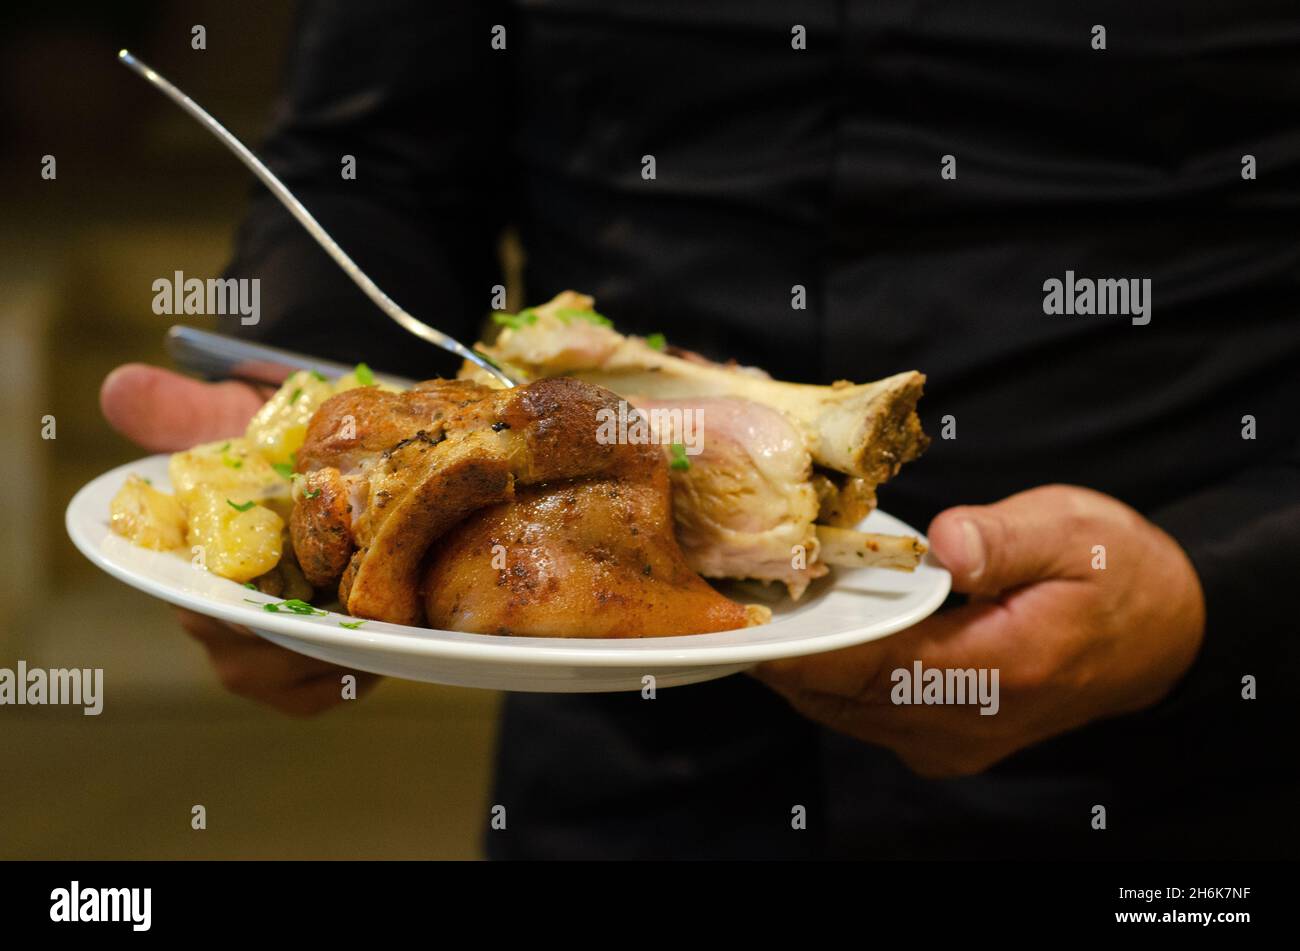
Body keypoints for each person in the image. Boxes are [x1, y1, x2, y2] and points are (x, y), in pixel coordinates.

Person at [101, 1, 1298, 858]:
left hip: (1164, 732)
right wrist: (309, 418)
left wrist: (1217, 587)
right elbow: (374, 158)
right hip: (602, 689)